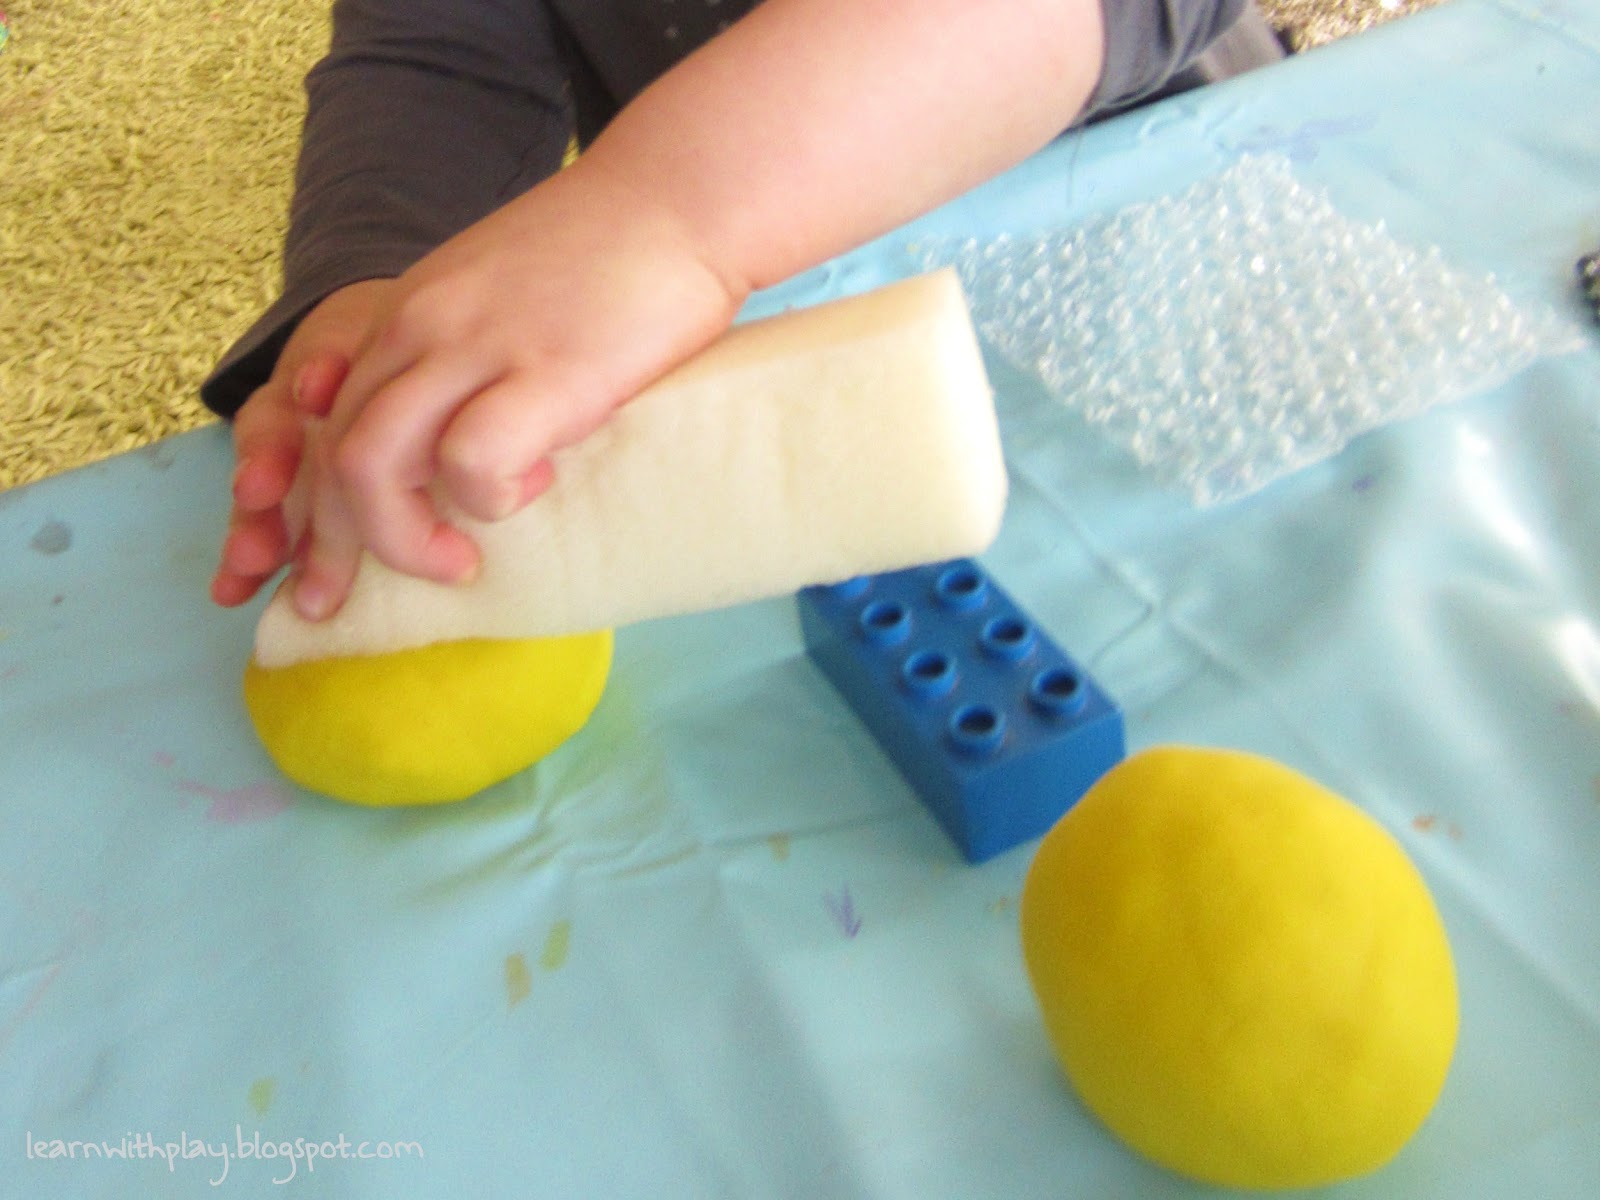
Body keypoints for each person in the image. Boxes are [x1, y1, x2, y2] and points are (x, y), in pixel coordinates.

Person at [203, 0, 1273, 621]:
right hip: (732, 344)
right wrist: (378, 289)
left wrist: (665, 208)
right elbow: (440, 51)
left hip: (1153, 286)